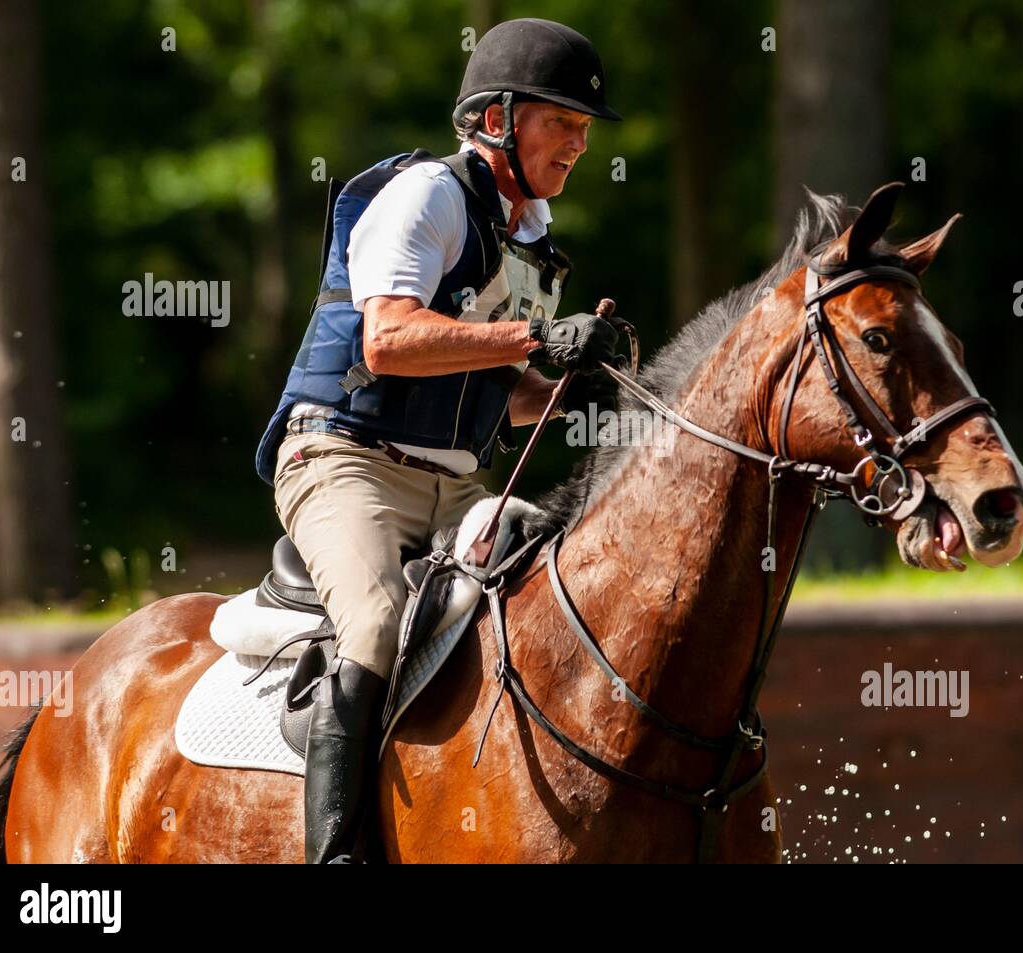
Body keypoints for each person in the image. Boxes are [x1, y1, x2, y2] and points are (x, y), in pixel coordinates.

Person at [252, 17, 622, 863]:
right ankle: (338, 854)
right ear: (496, 119)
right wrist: (536, 340)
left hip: (456, 482)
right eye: (561, 121)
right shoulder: (427, 194)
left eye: (584, 127)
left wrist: (571, 387)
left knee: (556, 596)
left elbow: (505, 401)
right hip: (341, 460)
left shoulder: (531, 243)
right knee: (377, 623)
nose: (579, 143)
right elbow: (386, 340)